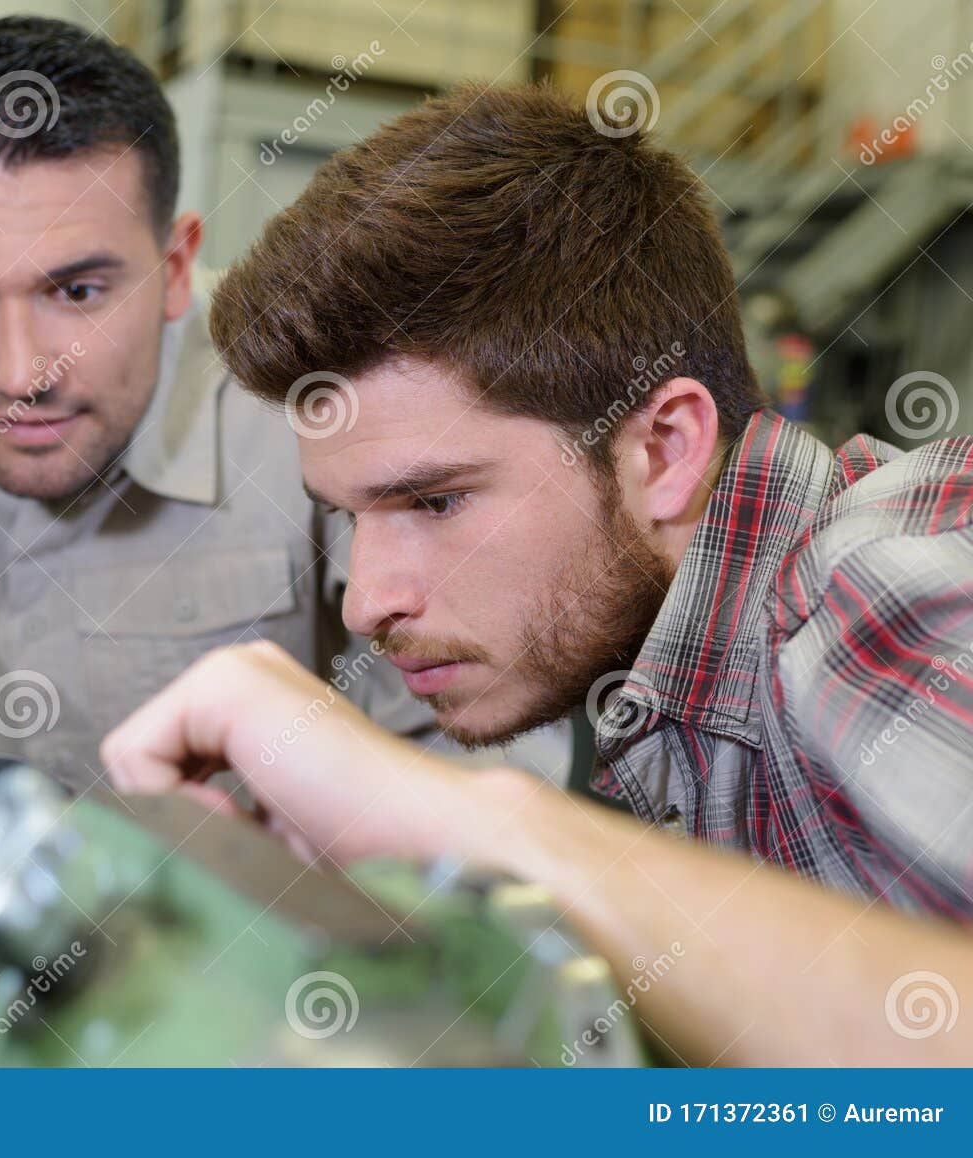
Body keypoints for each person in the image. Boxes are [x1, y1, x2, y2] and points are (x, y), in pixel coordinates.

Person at [102, 83, 973, 1065]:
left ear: (665, 449)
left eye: (435, 502)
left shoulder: (883, 576)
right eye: (352, 517)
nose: (366, 599)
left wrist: (484, 828)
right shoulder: (676, 699)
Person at [0, 19, 538, 819]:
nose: (18, 374)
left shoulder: (307, 396)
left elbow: (473, 767)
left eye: (77, 293)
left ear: (175, 268)